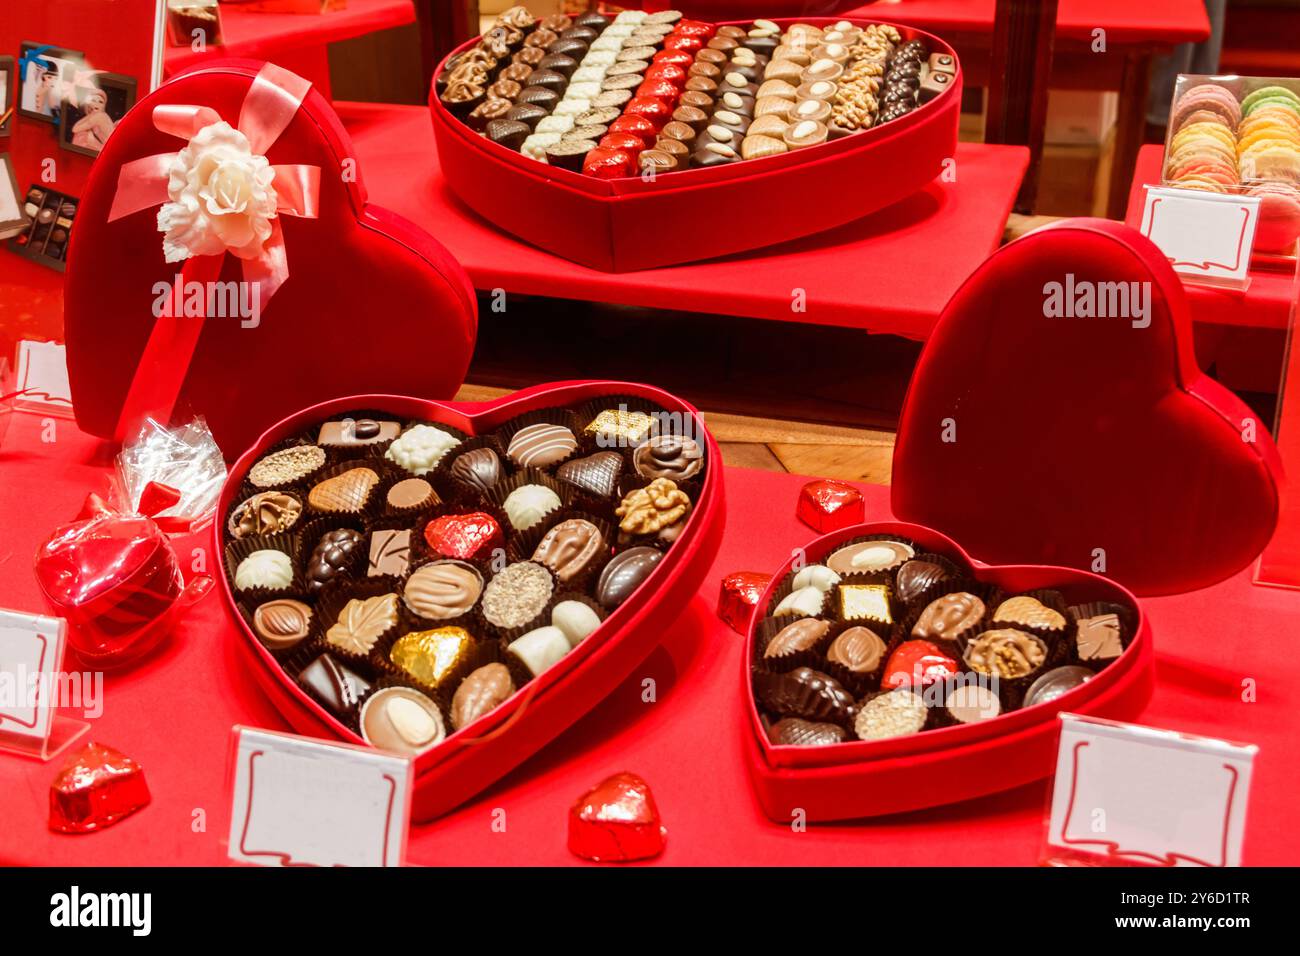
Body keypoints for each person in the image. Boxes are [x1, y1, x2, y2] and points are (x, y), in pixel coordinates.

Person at [70, 87, 113, 152]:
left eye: (101, 102)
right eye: (93, 100)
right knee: (84, 134)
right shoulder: (97, 115)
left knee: (82, 134)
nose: (97, 104)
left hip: (108, 150)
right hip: (104, 147)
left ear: (104, 106)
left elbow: (75, 129)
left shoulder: (100, 116)